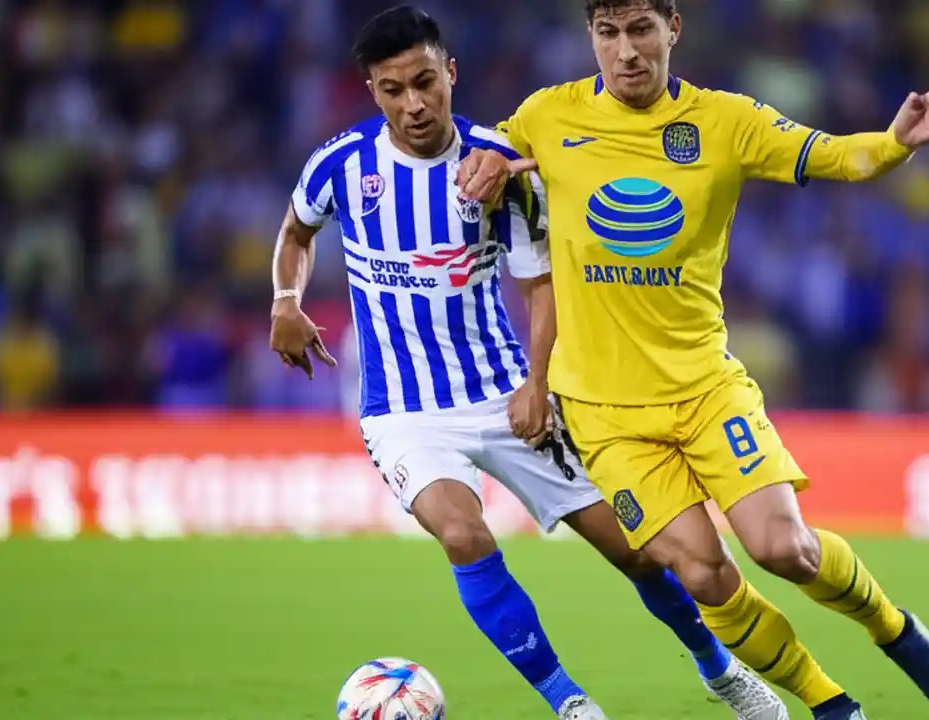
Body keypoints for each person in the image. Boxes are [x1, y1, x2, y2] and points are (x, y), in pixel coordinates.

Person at [456, 1, 929, 718]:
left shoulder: (726, 121)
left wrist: (892, 144)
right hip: (606, 416)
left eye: (641, 30)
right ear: (591, 39)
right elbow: (482, 150)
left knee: (782, 547)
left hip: (704, 387)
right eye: (608, 34)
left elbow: (835, 155)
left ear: (674, 29)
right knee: (702, 574)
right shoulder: (548, 116)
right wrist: (482, 160)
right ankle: (831, 704)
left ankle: (896, 630)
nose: (626, 51)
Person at [268, 6, 786, 720]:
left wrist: (539, 384)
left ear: (450, 73)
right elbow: (297, 230)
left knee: (638, 551)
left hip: (509, 394)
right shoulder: (341, 165)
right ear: (372, 91)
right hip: (407, 412)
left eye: (424, 82)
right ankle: (571, 704)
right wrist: (284, 301)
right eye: (393, 90)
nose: (413, 104)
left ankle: (720, 669)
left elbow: (539, 284)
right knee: (463, 533)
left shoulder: (495, 165)